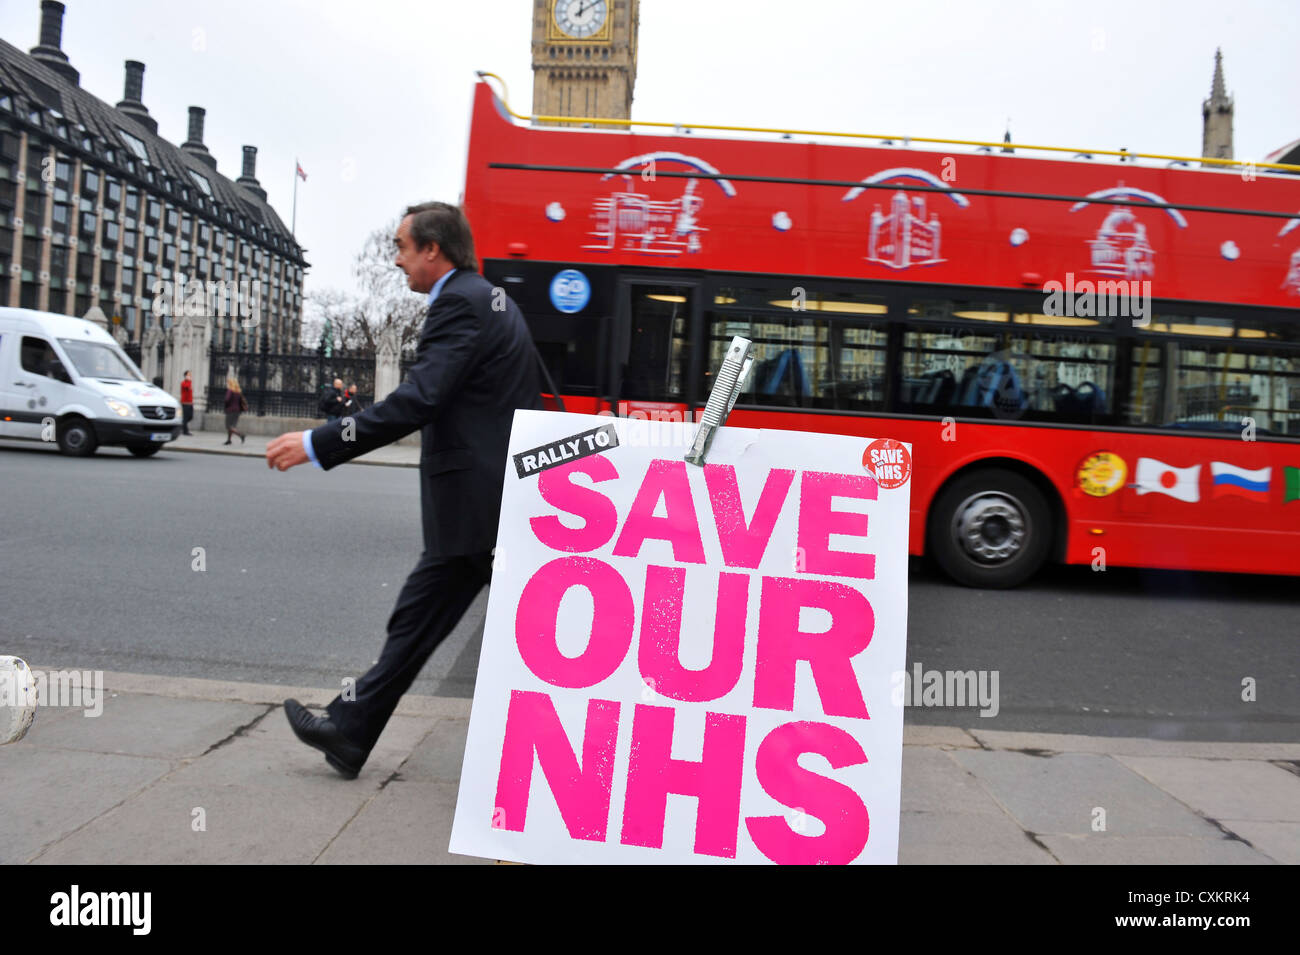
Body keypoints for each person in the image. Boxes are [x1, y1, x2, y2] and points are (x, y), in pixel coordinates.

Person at [266, 201, 541, 779]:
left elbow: (418, 399)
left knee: (534, 639)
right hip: (485, 504)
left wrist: (320, 443)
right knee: (417, 622)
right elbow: (541, 396)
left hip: (478, 505)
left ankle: (564, 759)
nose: (396, 260)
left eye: (401, 247)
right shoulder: (489, 299)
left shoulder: (461, 305)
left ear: (432, 250)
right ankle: (350, 730)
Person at [223, 376, 246, 445]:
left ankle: (241, 435)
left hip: (230, 410)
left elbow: (226, 400)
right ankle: (229, 440)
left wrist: (226, 406)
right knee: (232, 426)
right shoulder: (238, 391)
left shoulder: (230, 390)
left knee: (228, 426)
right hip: (237, 411)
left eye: (228, 383)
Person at [179, 370, 194, 436]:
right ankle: (185, 431)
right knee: (185, 417)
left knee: (190, 416)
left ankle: (182, 425)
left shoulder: (189, 383)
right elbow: (187, 388)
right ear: (185, 376)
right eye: (188, 375)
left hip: (190, 403)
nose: (190, 376)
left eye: (190, 375)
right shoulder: (184, 383)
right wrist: (188, 381)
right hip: (185, 403)